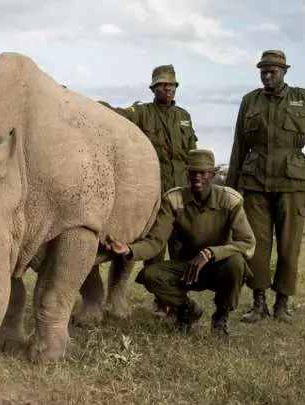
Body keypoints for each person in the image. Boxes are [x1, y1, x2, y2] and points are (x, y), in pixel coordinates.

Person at [103, 149, 256, 335]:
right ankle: (187, 310)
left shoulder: (230, 200)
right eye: (193, 172)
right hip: (187, 268)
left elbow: (247, 242)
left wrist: (210, 253)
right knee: (150, 274)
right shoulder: (174, 199)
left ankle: (221, 317)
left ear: (213, 175)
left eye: (203, 173)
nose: (197, 177)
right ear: (187, 174)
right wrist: (128, 249)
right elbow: (155, 242)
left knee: (236, 263)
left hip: (219, 268)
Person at [226, 50, 305, 324]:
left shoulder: (304, 99)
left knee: (289, 246)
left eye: (273, 71)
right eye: (263, 71)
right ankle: (259, 303)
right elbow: (238, 146)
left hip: (292, 183)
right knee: (255, 246)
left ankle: (283, 303)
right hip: (255, 182)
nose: (268, 75)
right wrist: (231, 187)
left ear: (284, 71)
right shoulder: (249, 101)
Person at [100, 64, 198, 315]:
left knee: (181, 248)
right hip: (153, 195)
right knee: (154, 248)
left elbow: (192, 154)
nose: (167, 88)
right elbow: (115, 115)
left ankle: (176, 297)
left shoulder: (184, 116)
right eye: (162, 85)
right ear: (153, 88)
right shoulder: (142, 112)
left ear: (176, 88)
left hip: (182, 194)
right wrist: (87, 104)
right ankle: (159, 299)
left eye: (171, 85)